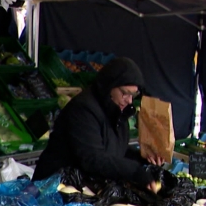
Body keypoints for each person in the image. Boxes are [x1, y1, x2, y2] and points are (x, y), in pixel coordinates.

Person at [33, 57, 164, 190]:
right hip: (52, 188)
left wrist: (142, 157)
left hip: (82, 187)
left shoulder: (118, 110)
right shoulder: (83, 109)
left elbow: (115, 150)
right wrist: (134, 171)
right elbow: (93, 158)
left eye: (133, 95)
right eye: (125, 93)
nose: (129, 100)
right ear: (109, 85)